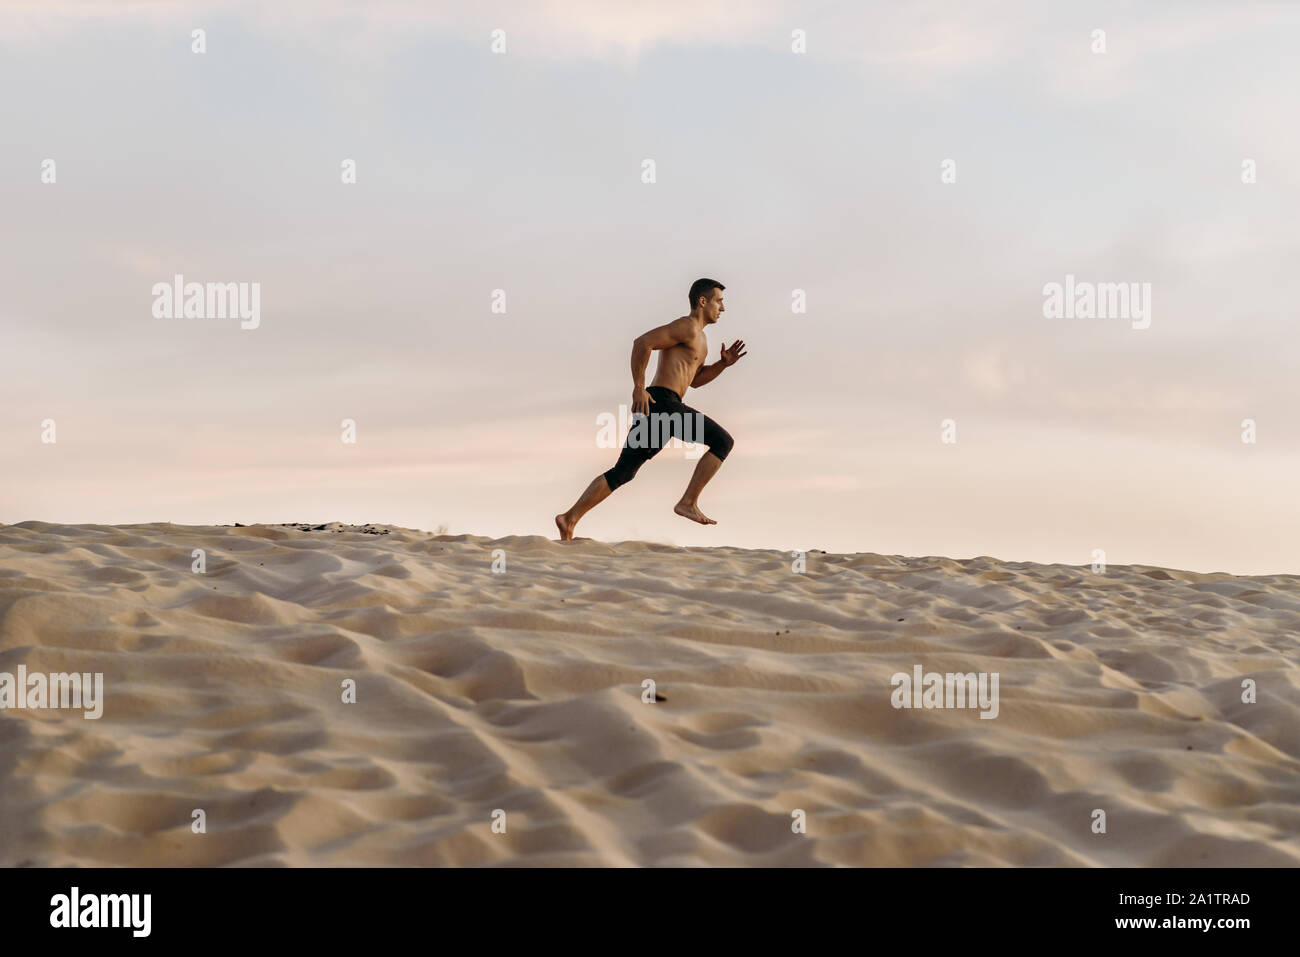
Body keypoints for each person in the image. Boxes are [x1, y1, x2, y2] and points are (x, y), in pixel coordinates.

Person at [555, 278, 746, 540]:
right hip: (662, 402)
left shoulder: (700, 340)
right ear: (703, 301)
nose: (722, 308)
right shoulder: (687, 326)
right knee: (723, 441)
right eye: (718, 301)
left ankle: (569, 518)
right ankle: (688, 502)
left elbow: (696, 380)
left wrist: (721, 365)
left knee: (623, 472)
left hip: (662, 406)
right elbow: (642, 343)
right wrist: (638, 387)